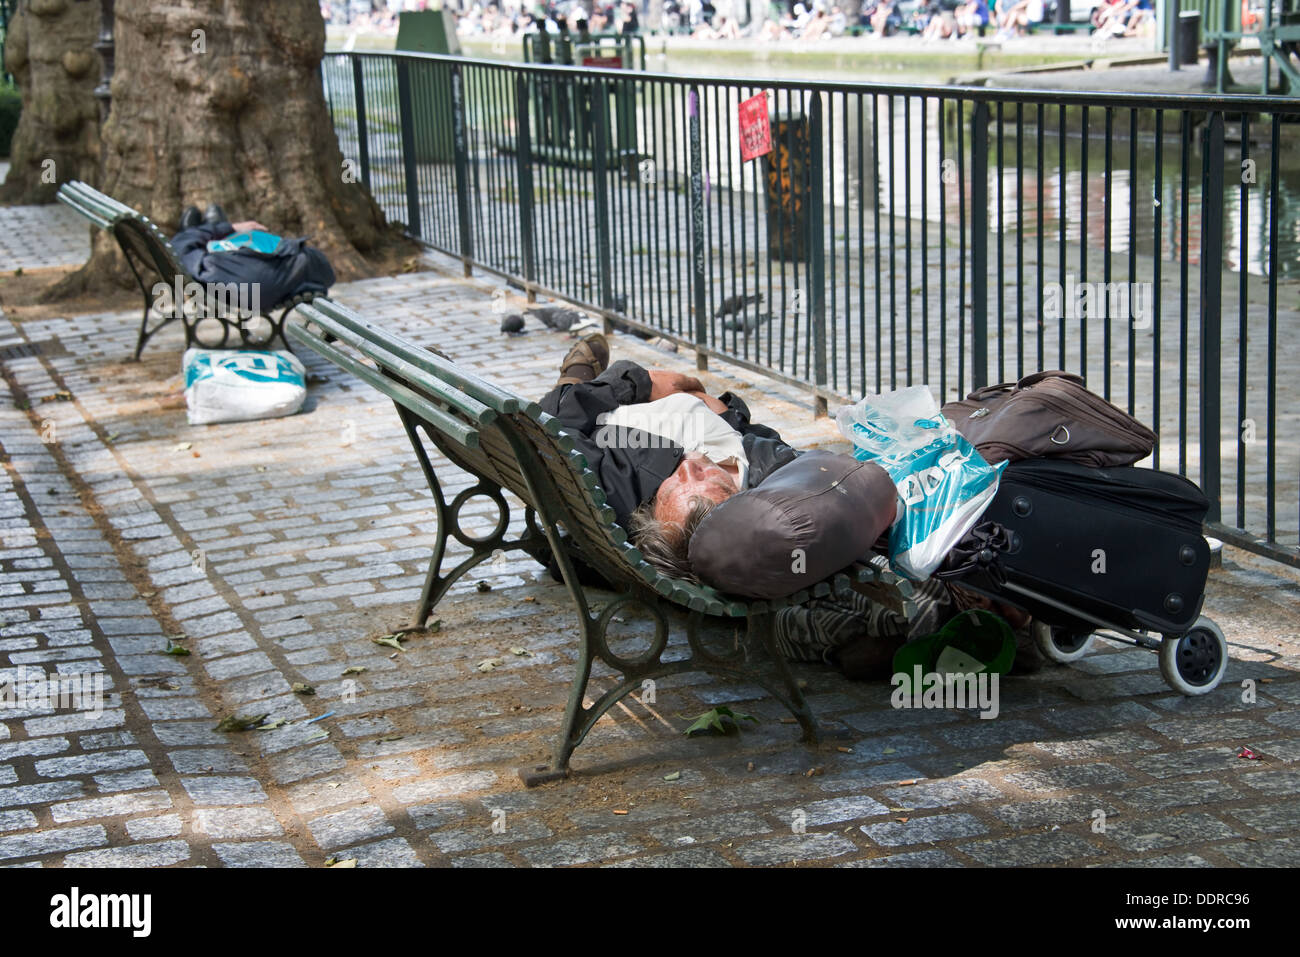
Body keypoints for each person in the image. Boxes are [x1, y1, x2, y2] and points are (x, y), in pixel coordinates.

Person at [536, 332, 1044, 676]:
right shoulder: (639, 482)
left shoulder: (625, 479)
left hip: (771, 515)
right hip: (788, 525)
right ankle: (943, 619)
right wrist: (639, 380)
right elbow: (553, 415)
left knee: (831, 565)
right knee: (837, 556)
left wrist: (724, 412)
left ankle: (901, 626)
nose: (691, 464)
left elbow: (558, 417)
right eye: (696, 479)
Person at [170, 203, 335, 314]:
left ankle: (207, 230)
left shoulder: (200, 262)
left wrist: (228, 229)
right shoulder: (306, 260)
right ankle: (211, 230)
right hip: (251, 280)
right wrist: (231, 228)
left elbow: (180, 244)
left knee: (190, 238)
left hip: (237, 279)